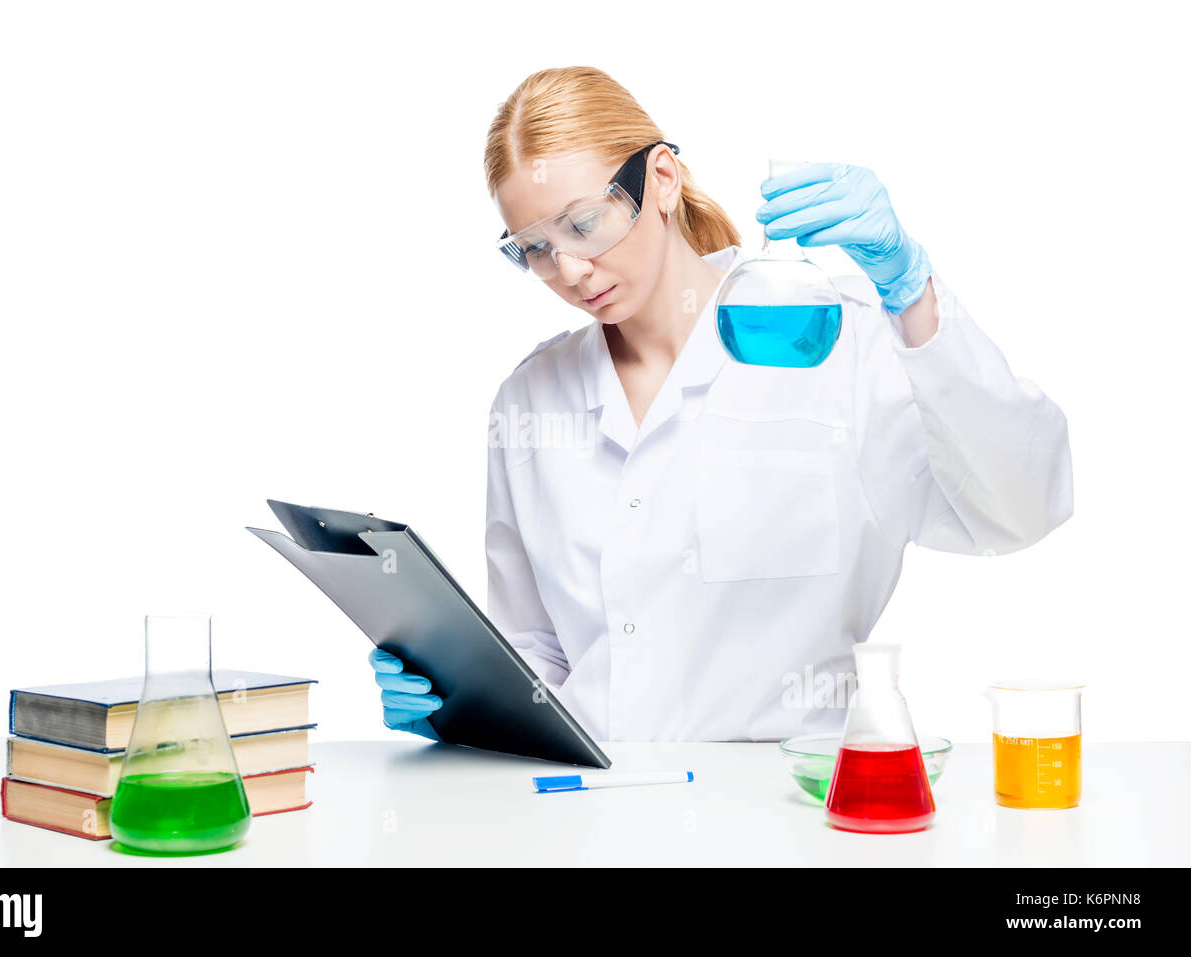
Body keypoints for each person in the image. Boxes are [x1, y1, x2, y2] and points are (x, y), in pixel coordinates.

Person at [370, 66, 1073, 742]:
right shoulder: (529, 400)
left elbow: (1019, 510)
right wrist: (459, 700)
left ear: (663, 180)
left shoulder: (836, 342)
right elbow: (539, 654)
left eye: (583, 224)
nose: (570, 271)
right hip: (588, 814)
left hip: (786, 816)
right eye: (534, 248)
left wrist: (911, 290)